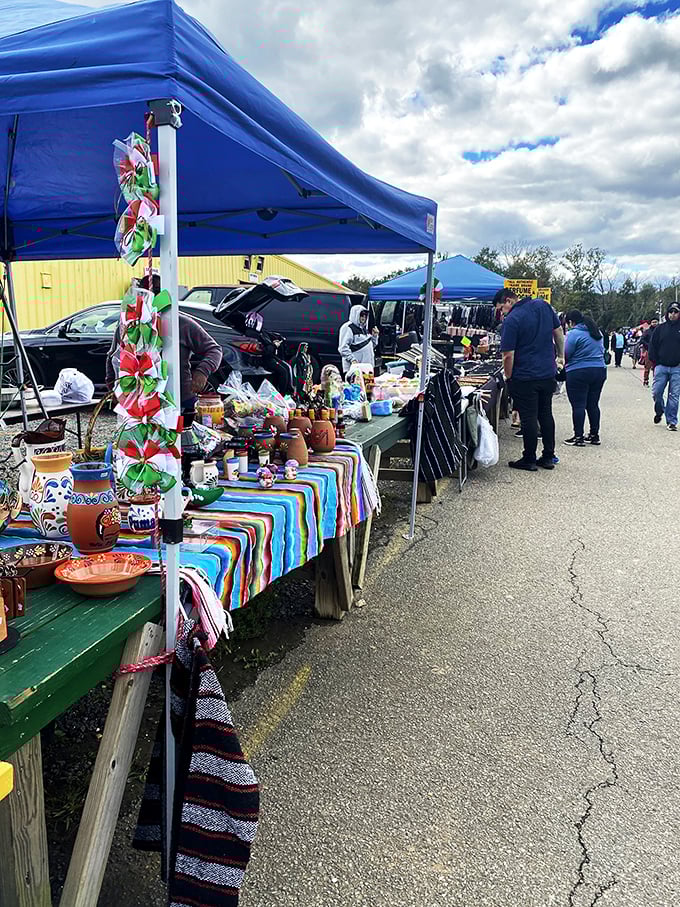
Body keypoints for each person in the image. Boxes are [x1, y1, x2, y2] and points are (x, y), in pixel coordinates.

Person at [106, 274, 223, 413]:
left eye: (156, 291)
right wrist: (113, 387)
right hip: (139, 400)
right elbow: (112, 356)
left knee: (181, 433)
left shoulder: (181, 323)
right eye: (145, 292)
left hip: (180, 399)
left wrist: (202, 371)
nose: (151, 296)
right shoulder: (129, 325)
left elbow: (214, 350)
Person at [501, 293, 565, 471]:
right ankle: (548, 456)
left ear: (508, 301)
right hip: (547, 372)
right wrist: (560, 356)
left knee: (529, 416)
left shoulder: (512, 319)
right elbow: (558, 332)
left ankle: (529, 457)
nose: (502, 313)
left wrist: (509, 377)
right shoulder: (544, 306)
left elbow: (508, 355)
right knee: (545, 413)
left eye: (501, 309)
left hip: (525, 375)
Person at [563, 310, 607, 446]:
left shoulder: (573, 334)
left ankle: (578, 436)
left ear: (571, 322)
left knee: (578, 405)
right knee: (593, 404)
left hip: (578, 371)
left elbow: (566, 353)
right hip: (599, 370)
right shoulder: (597, 332)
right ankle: (594, 435)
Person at [648, 304, 680, 430]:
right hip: (661, 366)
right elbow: (652, 345)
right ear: (667, 313)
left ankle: (671, 421)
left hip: (677, 367)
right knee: (657, 392)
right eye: (671, 312)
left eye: (676, 312)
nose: (673, 314)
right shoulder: (660, 329)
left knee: (674, 395)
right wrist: (655, 361)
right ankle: (660, 409)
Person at [338, 304, 378, 375]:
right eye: (361, 314)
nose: (364, 317)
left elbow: (371, 347)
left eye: (365, 315)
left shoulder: (364, 329)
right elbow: (343, 348)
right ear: (355, 314)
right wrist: (352, 360)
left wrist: (375, 336)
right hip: (355, 369)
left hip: (366, 369)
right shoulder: (348, 327)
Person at [640, 317, 659, 386]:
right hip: (649, 351)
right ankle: (646, 380)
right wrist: (648, 345)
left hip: (658, 352)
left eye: (656, 322)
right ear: (650, 323)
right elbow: (642, 340)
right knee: (647, 367)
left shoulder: (660, 331)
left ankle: (656, 382)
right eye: (653, 322)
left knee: (656, 369)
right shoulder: (647, 331)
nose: (655, 323)